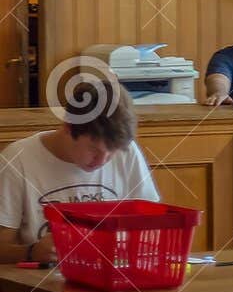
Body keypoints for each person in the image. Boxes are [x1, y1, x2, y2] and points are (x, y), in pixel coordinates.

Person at [0, 80, 158, 264]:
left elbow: (151, 224)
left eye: (112, 151)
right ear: (68, 127)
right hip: (46, 284)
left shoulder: (128, 151)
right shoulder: (17, 159)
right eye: (93, 150)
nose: (102, 161)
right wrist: (31, 253)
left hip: (113, 275)